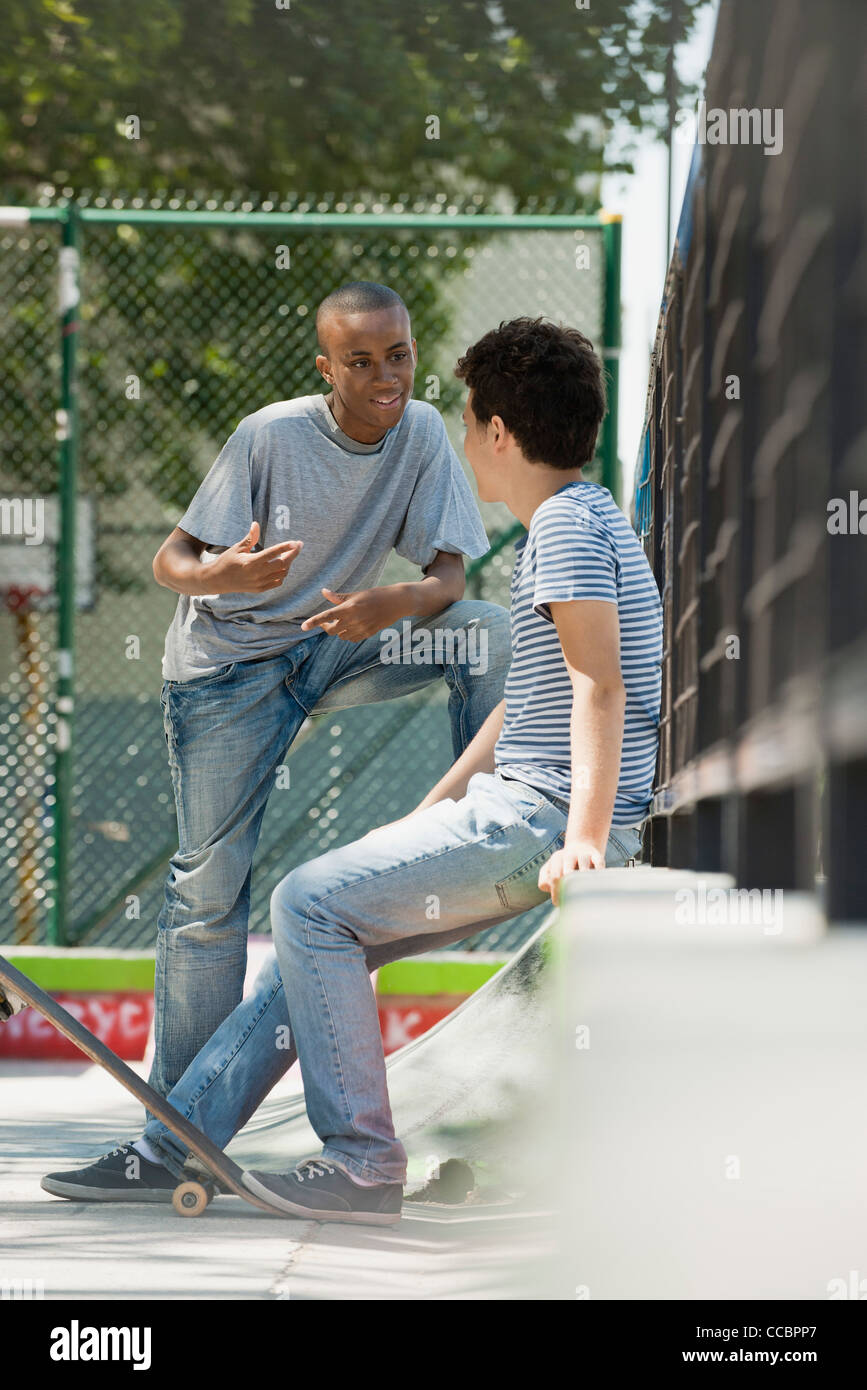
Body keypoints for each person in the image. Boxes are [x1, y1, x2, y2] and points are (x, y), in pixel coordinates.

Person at [42, 318, 662, 1224]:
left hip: (540, 819)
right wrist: (428, 815)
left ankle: (363, 1163)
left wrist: (581, 842)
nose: (459, 442)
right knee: (310, 946)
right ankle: (175, 1147)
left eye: (468, 422)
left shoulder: (563, 532)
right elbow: (522, 707)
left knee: (303, 903)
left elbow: (595, 685)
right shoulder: (581, 518)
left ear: (496, 432)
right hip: (511, 804)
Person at [141, 280, 510, 1109]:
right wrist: (219, 573)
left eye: (399, 356)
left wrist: (394, 602)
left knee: (483, 627)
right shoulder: (268, 435)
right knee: (210, 890)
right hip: (227, 670)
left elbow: (449, 576)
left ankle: (486, 824)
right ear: (326, 368)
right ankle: (182, 1116)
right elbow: (169, 561)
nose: (387, 378)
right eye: (361, 362)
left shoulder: (419, 434)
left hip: (333, 641)